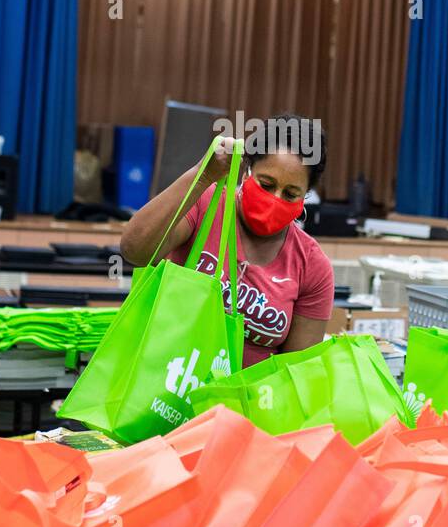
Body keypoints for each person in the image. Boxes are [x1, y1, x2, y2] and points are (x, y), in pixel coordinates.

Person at [119, 114, 335, 367]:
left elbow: (295, 373)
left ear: (306, 196)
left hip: (246, 404)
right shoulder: (205, 204)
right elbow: (135, 250)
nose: (275, 198)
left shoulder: (312, 265)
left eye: (290, 194)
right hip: (163, 387)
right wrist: (201, 176)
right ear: (247, 172)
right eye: (266, 185)